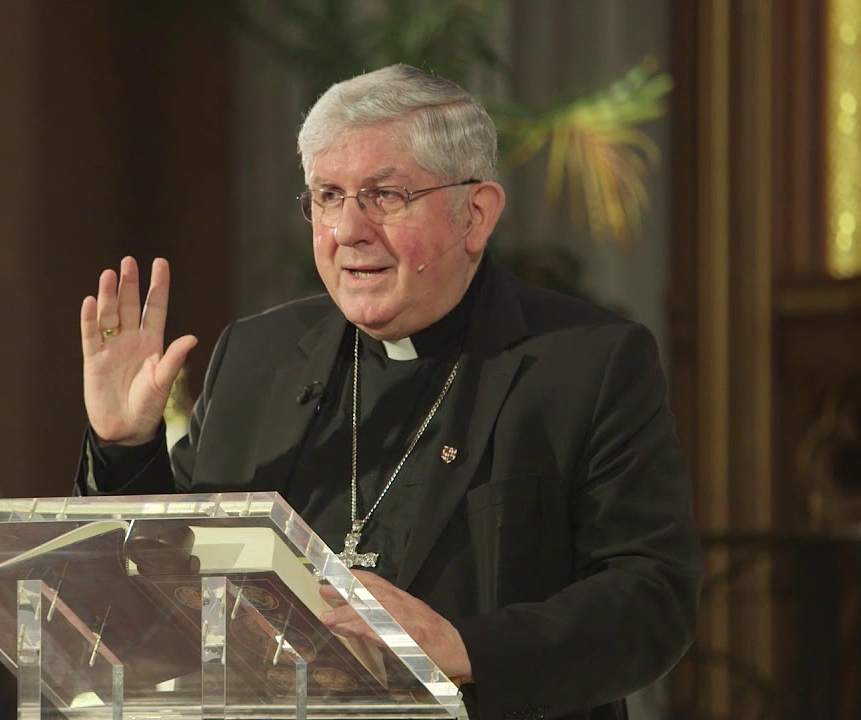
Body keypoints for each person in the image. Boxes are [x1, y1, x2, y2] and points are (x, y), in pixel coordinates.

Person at [75, 64, 702, 720]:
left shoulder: (585, 363)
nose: (348, 230)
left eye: (386, 196)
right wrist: (124, 446)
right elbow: (157, 582)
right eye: (327, 195)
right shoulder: (255, 358)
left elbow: (652, 598)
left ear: (476, 214)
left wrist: (463, 648)